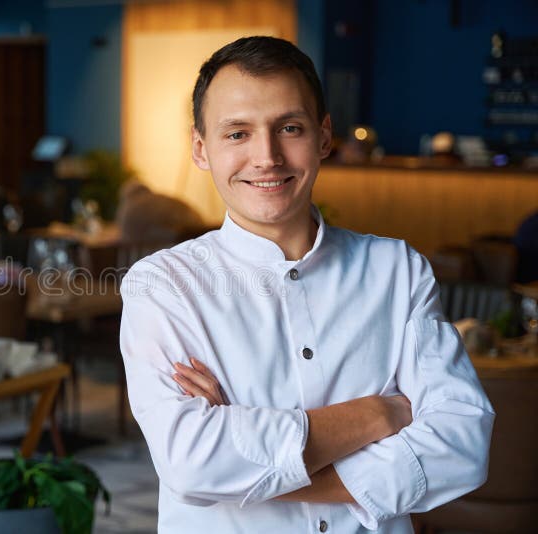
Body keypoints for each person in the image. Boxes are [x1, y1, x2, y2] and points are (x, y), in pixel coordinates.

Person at [119, 36, 494, 533]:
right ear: (200, 148)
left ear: (323, 137)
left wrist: (247, 460)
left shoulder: (397, 270)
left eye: (288, 128)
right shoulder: (164, 285)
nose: (266, 156)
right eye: (237, 134)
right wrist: (377, 414)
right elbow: (191, 464)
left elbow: (462, 443)